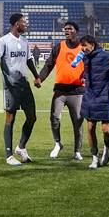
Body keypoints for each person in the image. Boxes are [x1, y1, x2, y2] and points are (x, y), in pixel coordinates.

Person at [0, 13, 41, 165]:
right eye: (24, 22)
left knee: (32, 117)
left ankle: (21, 147)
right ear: (16, 24)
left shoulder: (24, 41)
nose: (26, 24)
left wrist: (37, 76)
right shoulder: (3, 41)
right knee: (10, 118)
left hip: (24, 84)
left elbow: (29, 60)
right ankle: (9, 155)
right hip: (11, 85)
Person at [37, 20, 87, 161]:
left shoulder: (83, 48)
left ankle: (77, 151)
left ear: (76, 31)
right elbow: (49, 64)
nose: (66, 31)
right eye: (65, 29)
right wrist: (40, 78)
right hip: (60, 91)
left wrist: (88, 77)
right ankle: (58, 144)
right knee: (54, 118)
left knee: (77, 122)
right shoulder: (59, 46)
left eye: (69, 29)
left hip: (77, 91)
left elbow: (91, 66)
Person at [79, 34, 109, 168]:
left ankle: (107, 147)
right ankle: (94, 158)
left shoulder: (105, 56)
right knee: (90, 127)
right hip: (90, 97)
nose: (82, 48)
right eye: (81, 46)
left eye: (85, 46)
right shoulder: (85, 58)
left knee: (106, 130)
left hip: (105, 97)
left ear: (92, 45)